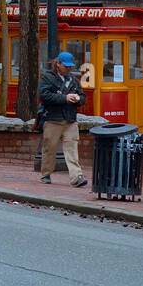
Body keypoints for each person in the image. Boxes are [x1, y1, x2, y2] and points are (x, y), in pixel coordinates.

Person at [39, 51, 89, 187]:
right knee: (50, 149)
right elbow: (44, 96)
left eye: (70, 66)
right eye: (66, 66)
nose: (69, 68)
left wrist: (79, 99)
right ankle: (45, 174)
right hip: (53, 119)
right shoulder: (47, 78)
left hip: (70, 120)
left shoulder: (73, 80)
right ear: (58, 64)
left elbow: (83, 97)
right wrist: (65, 98)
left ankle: (76, 177)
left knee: (72, 149)